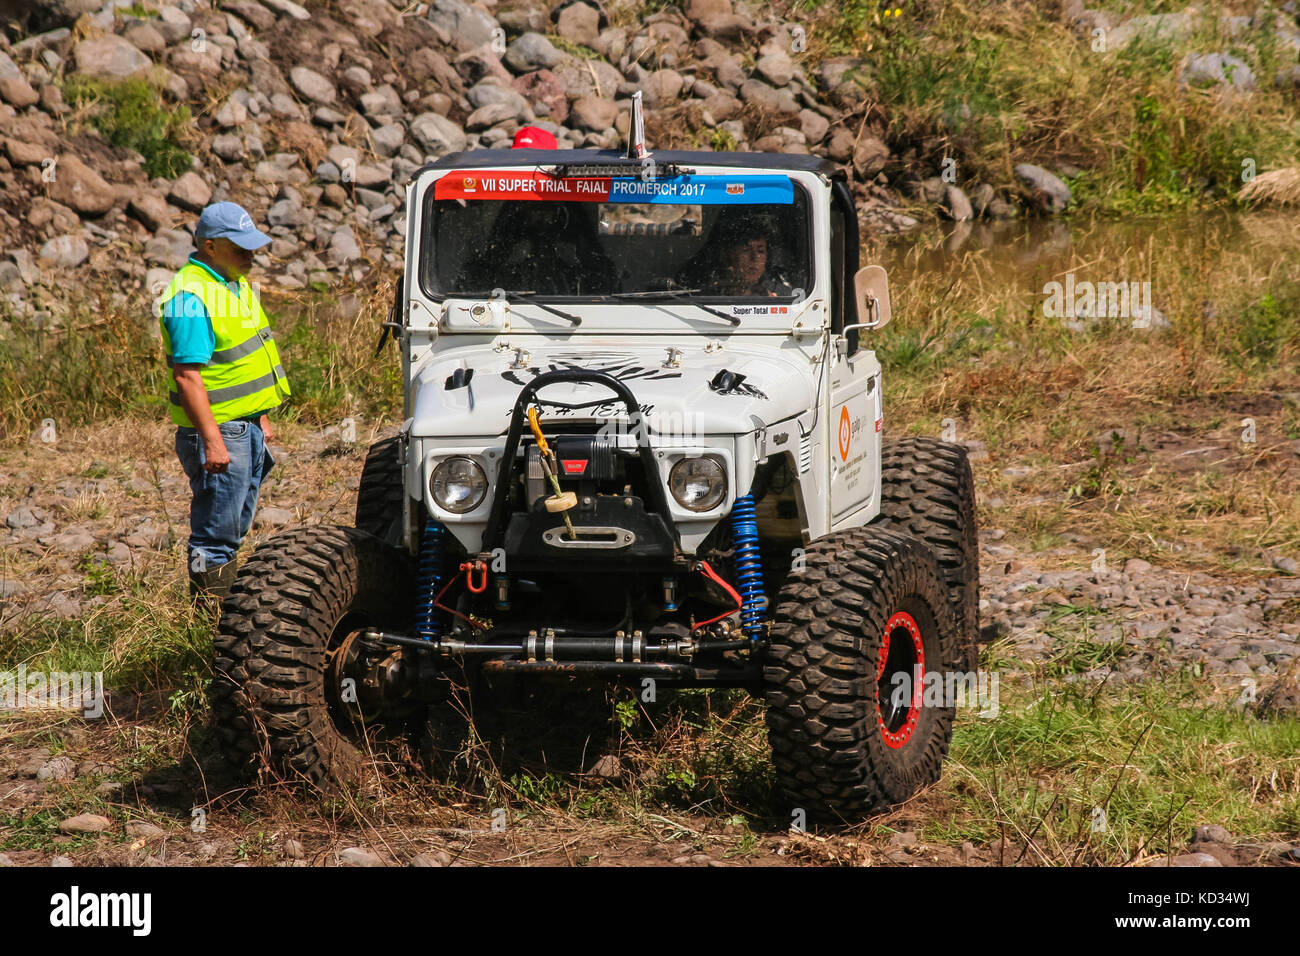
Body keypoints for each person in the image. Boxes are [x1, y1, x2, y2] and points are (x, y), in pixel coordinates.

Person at [156, 201, 291, 607]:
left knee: (232, 531)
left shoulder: (230, 282)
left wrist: (260, 415)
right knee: (215, 538)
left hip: (242, 426)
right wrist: (212, 440)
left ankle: (222, 618)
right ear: (210, 246)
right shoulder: (188, 296)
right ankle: (210, 627)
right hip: (221, 433)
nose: (250, 256)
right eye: (240, 248)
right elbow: (188, 377)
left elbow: (239, 360)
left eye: (253, 247)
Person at [676, 216, 795, 297]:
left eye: (760, 251)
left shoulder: (781, 294)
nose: (754, 258)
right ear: (727, 255)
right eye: (746, 250)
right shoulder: (705, 291)